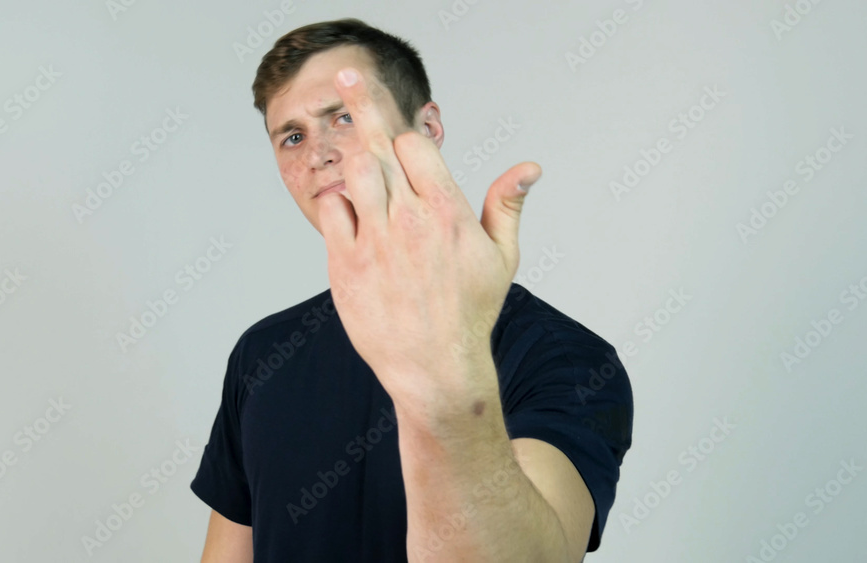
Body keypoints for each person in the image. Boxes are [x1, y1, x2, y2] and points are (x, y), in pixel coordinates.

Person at [190, 18, 633, 562]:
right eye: (293, 136)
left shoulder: (567, 357)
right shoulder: (262, 352)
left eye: (345, 117)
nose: (318, 153)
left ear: (427, 128)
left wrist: (442, 392)